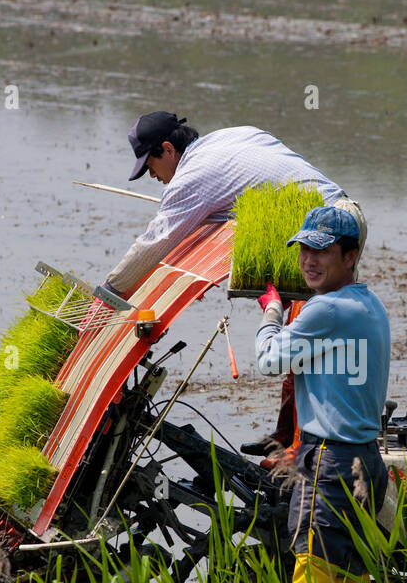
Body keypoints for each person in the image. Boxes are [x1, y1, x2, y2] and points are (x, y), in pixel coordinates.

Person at [102, 111, 367, 457]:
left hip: (328, 231)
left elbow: (156, 242)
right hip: (334, 220)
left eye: (150, 166)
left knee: (308, 344)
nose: (153, 176)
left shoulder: (192, 177)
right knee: (300, 335)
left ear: (167, 149)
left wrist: (111, 288)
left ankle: (302, 452)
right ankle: (287, 436)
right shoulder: (227, 138)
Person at [254, 205, 390, 583]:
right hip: (364, 462)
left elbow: (270, 361)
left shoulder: (326, 310)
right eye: (305, 250)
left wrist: (271, 311)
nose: (310, 261)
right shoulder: (368, 304)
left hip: (330, 464)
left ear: (350, 255)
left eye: (323, 251)